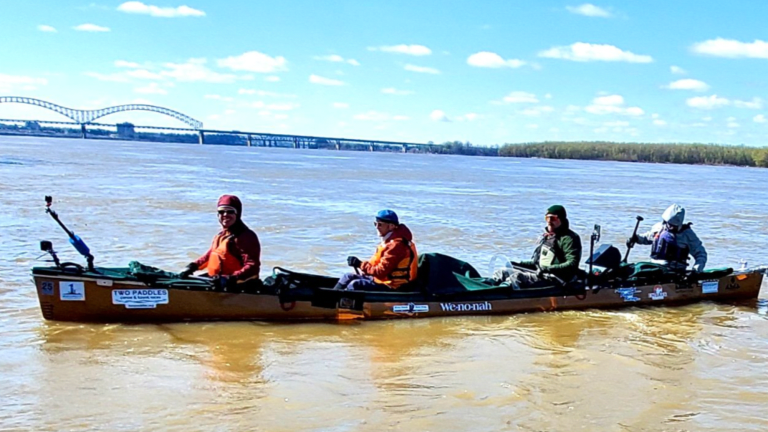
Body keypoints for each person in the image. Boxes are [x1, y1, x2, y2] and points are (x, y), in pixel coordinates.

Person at [179, 195, 261, 290]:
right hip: (218, 281)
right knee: (181, 282)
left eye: (230, 211)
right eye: (221, 212)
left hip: (237, 285)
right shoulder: (221, 235)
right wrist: (192, 267)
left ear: (238, 214)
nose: (225, 215)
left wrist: (231, 278)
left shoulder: (246, 236)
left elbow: (252, 267)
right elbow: (209, 256)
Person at [496, 205, 582, 288]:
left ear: (561, 219)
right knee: (503, 272)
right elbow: (538, 263)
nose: (549, 221)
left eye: (552, 218)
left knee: (517, 277)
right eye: (547, 218)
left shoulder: (569, 239)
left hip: (556, 279)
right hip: (542, 274)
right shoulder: (549, 237)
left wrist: (547, 269)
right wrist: (518, 263)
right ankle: (490, 289)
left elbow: (572, 264)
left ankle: (501, 295)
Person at [335, 209, 418, 291]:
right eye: (375, 224)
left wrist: (360, 264)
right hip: (381, 280)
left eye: (380, 224)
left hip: (393, 285)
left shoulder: (396, 246)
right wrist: (362, 267)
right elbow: (375, 266)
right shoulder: (389, 241)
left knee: (355, 284)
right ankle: (332, 296)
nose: (377, 227)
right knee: (347, 276)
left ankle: (339, 299)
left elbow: (381, 272)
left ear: (391, 226)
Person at [628, 204, 707, 272]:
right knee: (637, 268)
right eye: (669, 224)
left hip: (674, 270)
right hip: (654, 267)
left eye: (673, 226)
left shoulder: (687, 234)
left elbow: (701, 254)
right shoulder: (659, 227)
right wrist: (636, 238)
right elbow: (648, 238)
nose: (670, 227)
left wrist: (696, 270)